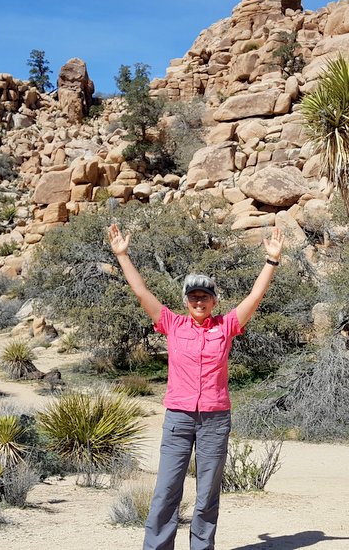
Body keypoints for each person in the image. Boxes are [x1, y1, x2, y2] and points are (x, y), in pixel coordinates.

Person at [108, 223, 283, 550]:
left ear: (214, 301)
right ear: (186, 301)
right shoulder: (172, 324)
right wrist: (122, 255)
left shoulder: (227, 326)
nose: (199, 301)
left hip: (215, 420)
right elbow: (142, 293)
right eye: (193, 296)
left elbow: (255, 296)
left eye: (204, 296)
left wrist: (271, 261)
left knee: (207, 494)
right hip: (179, 418)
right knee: (167, 489)